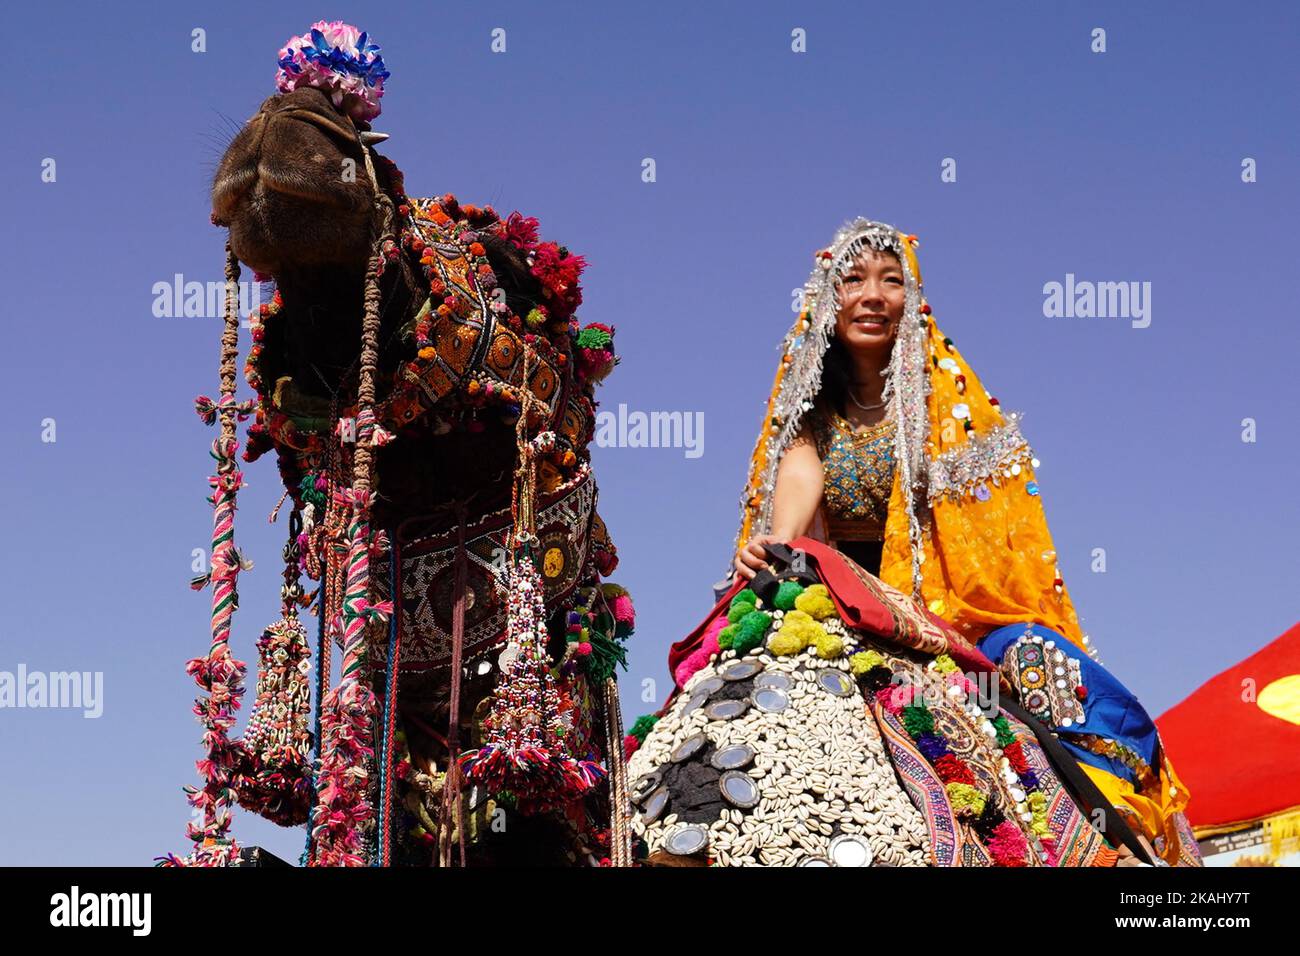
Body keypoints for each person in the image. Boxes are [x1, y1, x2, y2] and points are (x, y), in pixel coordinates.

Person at [714, 217, 1200, 865]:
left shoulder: (948, 406)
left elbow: (988, 540)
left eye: (891, 281)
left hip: (953, 613)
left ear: (911, 300)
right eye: (853, 280)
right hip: (842, 596)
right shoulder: (810, 413)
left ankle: (1116, 832)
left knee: (1046, 664)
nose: (872, 295)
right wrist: (777, 542)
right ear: (827, 300)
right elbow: (801, 473)